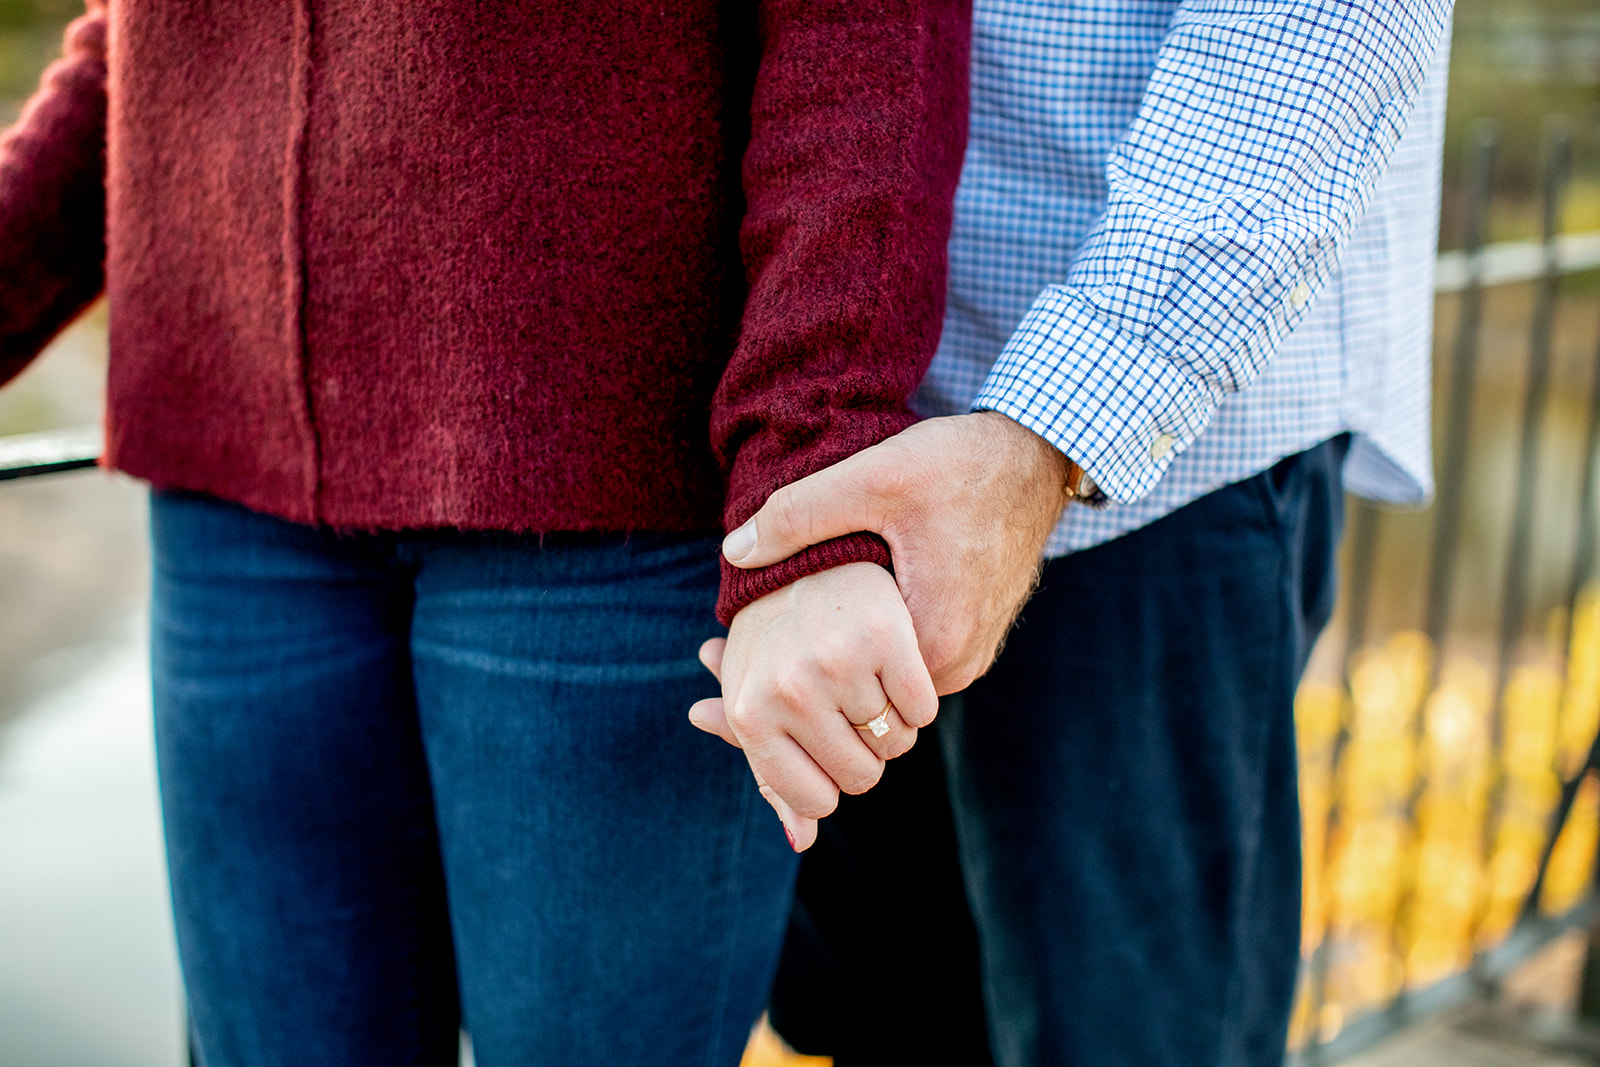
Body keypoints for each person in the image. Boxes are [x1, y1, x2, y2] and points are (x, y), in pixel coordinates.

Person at [0, 3, 971, 1064]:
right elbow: (143, 43)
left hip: (606, 480)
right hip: (231, 475)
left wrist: (810, 470)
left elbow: (861, 38)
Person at [690, 2, 1456, 1064]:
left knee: (1122, 1035)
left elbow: (1316, 33)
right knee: (874, 1019)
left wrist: (1049, 437)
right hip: (831, 436)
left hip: (1140, 471)